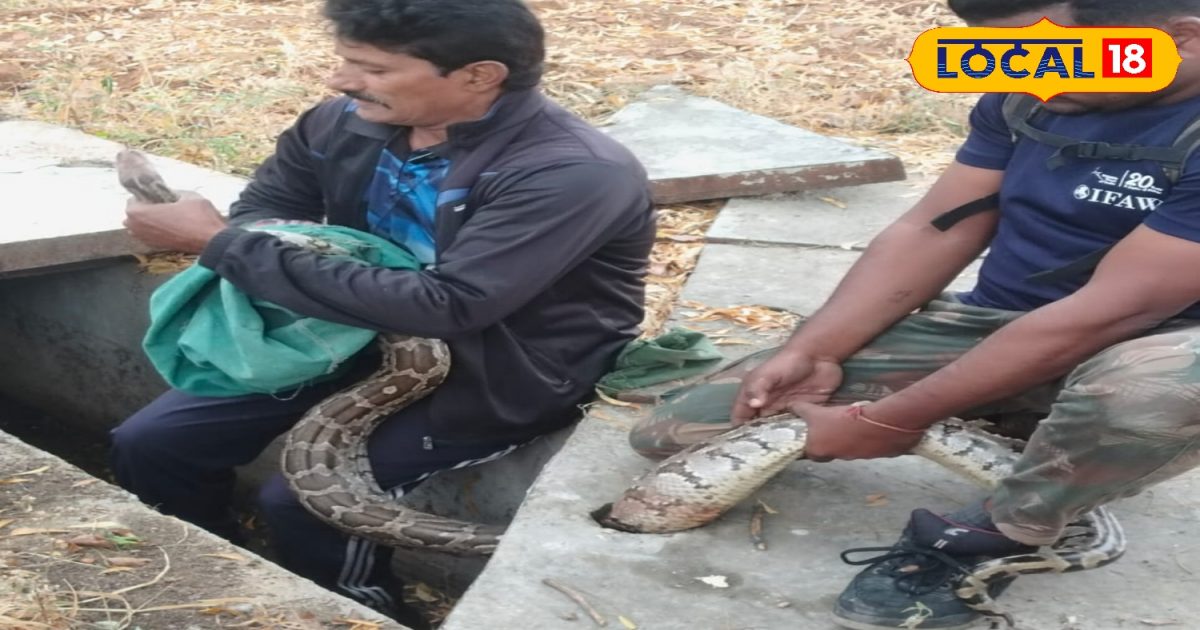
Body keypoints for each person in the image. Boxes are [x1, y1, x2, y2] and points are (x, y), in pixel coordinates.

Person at [629, 0, 1200, 628]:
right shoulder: (1031, 99)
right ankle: (1026, 424)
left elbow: (1111, 313)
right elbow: (933, 231)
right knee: (682, 430)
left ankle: (1000, 535)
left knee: (1143, 392)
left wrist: (895, 420)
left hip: (1158, 344)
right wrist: (816, 348)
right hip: (1007, 323)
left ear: (1181, 40)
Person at [112, 0, 655, 625]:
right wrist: (250, 240)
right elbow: (269, 205)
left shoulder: (572, 172)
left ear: (479, 75)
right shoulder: (345, 122)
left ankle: (360, 610)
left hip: (497, 366)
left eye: (371, 68)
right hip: (347, 332)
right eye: (346, 60)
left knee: (304, 501)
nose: (341, 81)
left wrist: (222, 245)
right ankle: (220, 572)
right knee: (151, 444)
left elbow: (453, 306)